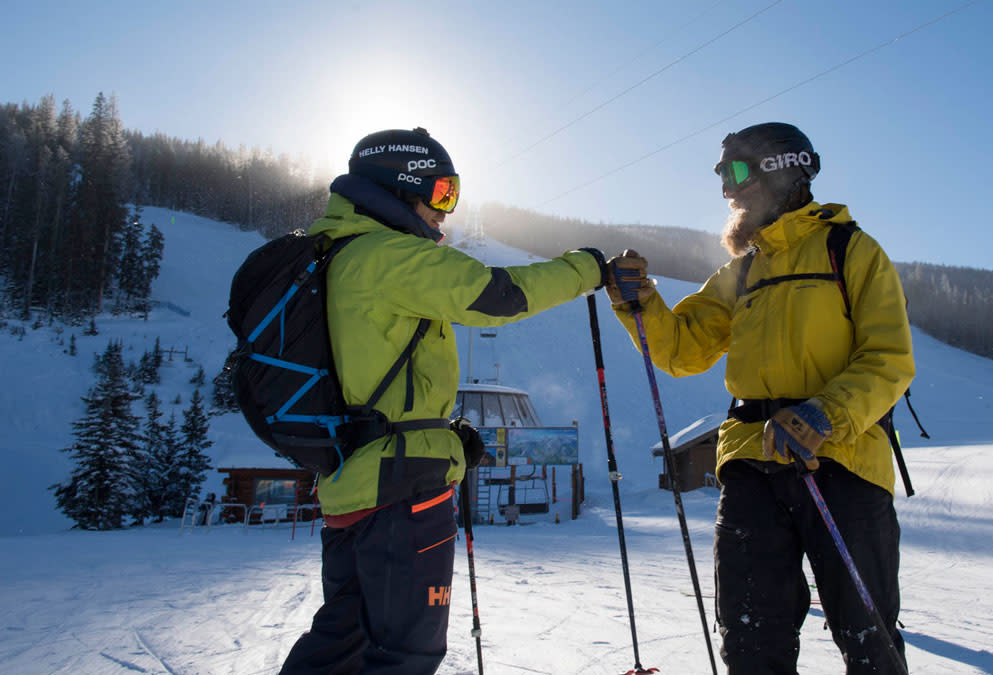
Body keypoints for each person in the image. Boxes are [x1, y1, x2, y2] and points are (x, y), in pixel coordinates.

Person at [280, 127, 608, 674]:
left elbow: (369, 378)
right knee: (406, 654)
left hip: (350, 484)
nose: (445, 211)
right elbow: (498, 294)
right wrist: (588, 268)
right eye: (441, 192)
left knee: (341, 645)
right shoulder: (388, 254)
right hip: (401, 488)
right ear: (398, 186)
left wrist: (443, 437)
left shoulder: (336, 254)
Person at [605, 122, 915, 674]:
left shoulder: (850, 251)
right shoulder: (742, 270)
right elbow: (683, 350)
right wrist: (641, 303)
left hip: (842, 461)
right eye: (721, 174)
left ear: (781, 169)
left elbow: (889, 357)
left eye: (737, 171)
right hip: (752, 463)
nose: (727, 189)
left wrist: (823, 413)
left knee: (869, 641)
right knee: (750, 641)